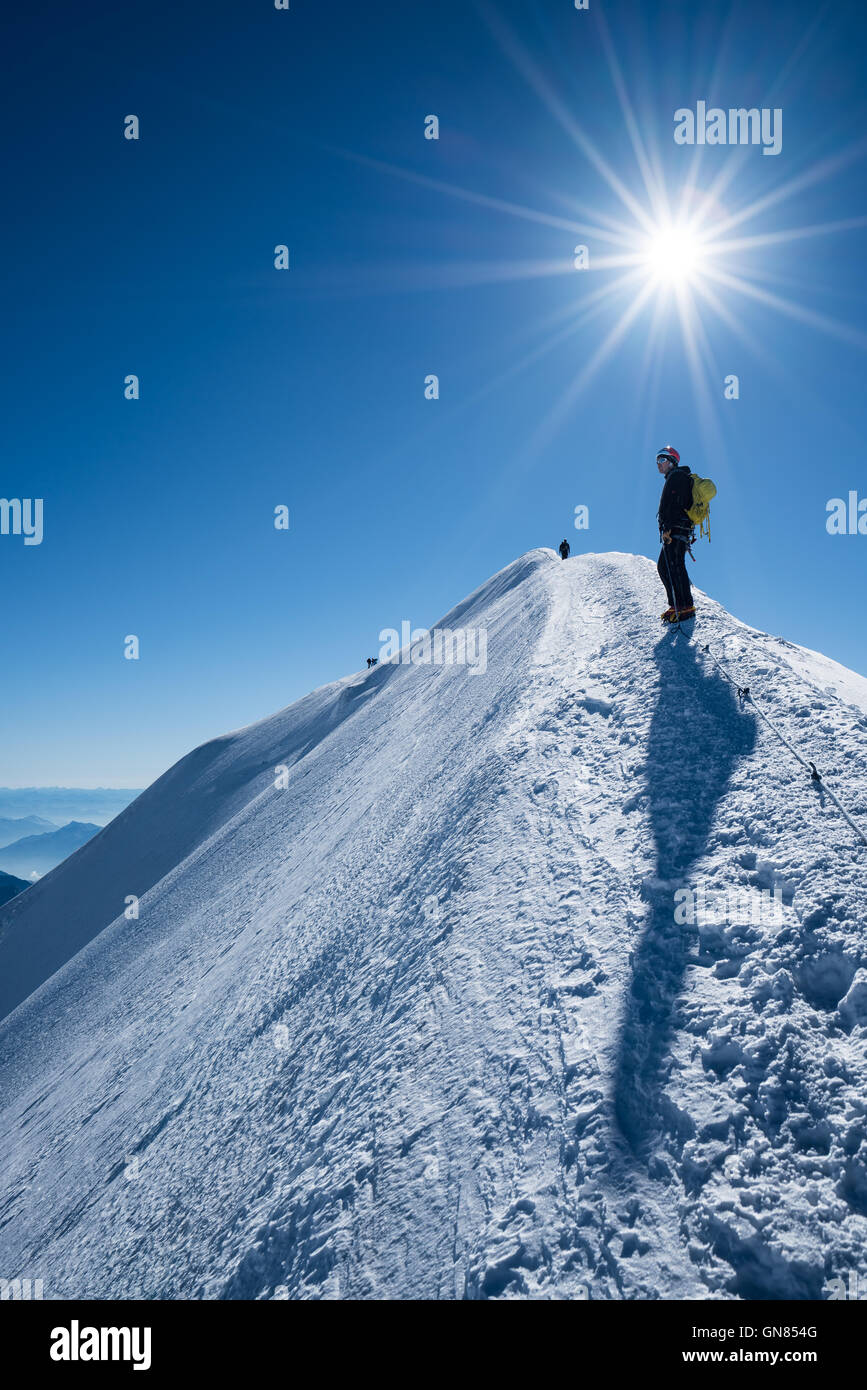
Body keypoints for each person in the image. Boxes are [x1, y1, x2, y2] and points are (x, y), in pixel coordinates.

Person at [655, 445, 696, 623]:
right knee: (665, 566)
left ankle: (686, 605)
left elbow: (677, 504)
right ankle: (676, 604)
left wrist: (671, 526)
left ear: (672, 462)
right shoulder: (672, 477)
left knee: (675, 565)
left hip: (677, 528)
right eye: (657, 460)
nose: (658, 463)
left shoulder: (678, 476)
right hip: (673, 529)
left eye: (662, 459)